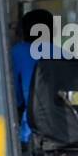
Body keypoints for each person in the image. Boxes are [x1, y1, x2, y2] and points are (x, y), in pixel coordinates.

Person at [9, 8, 59, 145]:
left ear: (23, 32)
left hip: (32, 135)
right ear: (53, 32)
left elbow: (13, 98)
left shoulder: (17, 52)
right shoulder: (65, 55)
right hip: (66, 133)